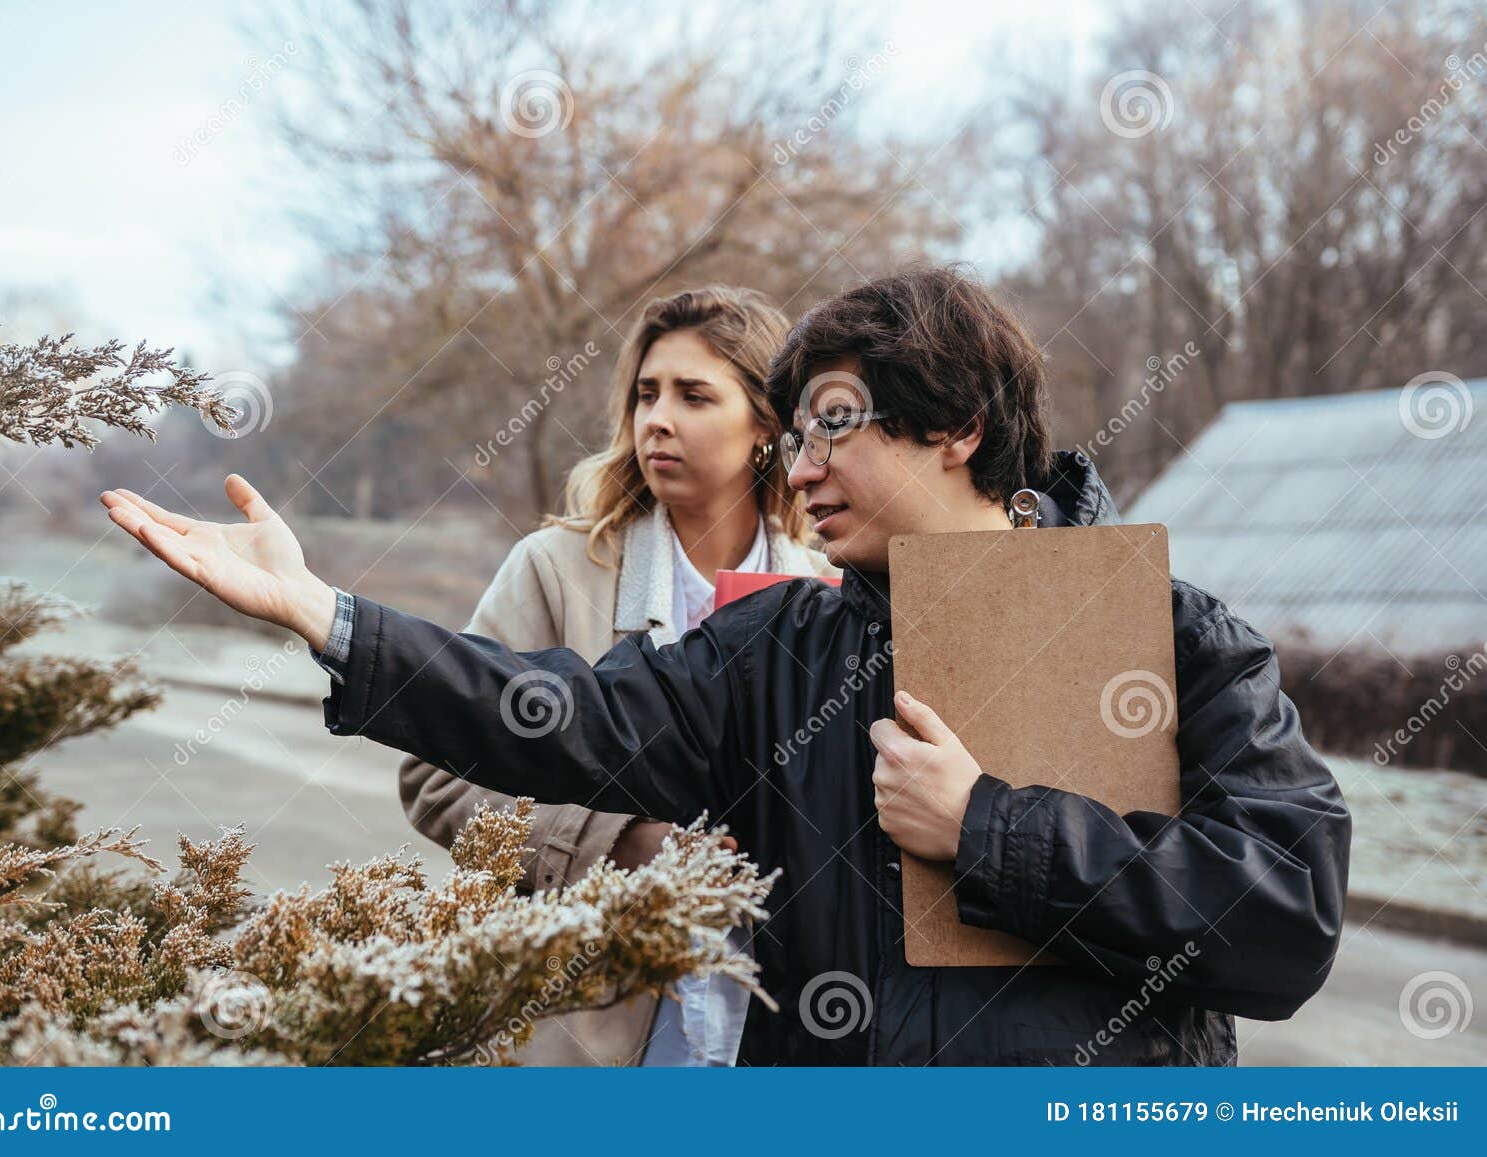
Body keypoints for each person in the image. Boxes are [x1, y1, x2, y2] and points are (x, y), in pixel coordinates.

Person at [101, 264, 1351, 1065]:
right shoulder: (782, 647)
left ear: (959, 427)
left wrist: (989, 826)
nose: (798, 468)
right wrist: (324, 612)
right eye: (793, 434)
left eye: (835, 428)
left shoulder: (1171, 634)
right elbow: (556, 718)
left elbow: (1282, 923)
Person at [396, 285, 836, 1065]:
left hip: (775, 1028)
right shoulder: (558, 570)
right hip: (586, 1033)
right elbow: (438, 773)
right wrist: (623, 841)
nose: (657, 418)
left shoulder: (827, 591)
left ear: (767, 424)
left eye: (694, 395)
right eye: (646, 393)